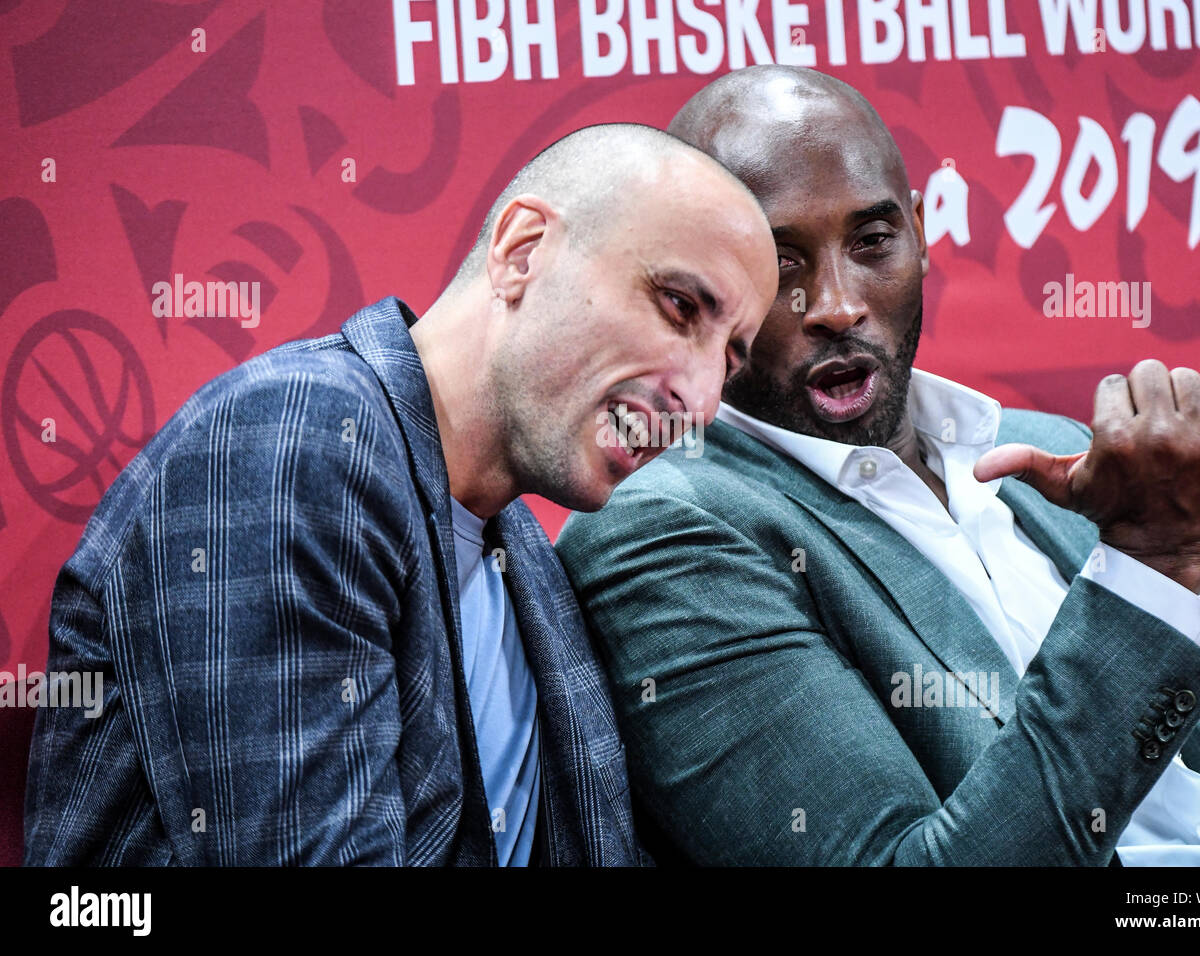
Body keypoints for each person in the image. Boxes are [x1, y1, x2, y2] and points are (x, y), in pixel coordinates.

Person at [556, 68, 1200, 866]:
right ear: (694, 292)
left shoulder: (1047, 448)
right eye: (781, 264)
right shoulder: (666, 530)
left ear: (919, 232)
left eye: (872, 241)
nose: (838, 305)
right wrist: (1150, 569)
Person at [23, 123, 778, 866]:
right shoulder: (299, 433)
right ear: (523, 252)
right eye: (680, 306)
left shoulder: (522, 553)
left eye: (729, 360)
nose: (701, 398)